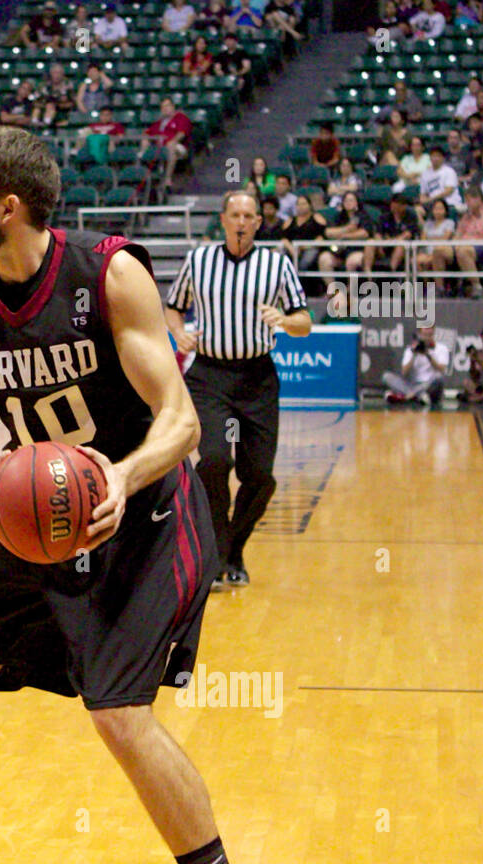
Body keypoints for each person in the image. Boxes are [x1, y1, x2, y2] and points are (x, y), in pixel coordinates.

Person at [0, 126, 225, 864]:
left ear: (6, 209)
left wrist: (122, 479)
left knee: (120, 715)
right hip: (26, 507)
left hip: (142, 509)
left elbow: (182, 419)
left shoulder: (107, 273)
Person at [164, 191, 313, 588]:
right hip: (210, 376)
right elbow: (172, 305)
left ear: (258, 223)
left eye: (250, 215)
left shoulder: (276, 265)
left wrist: (283, 318)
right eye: (235, 215)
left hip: (258, 380)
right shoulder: (199, 260)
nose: (243, 222)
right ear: (224, 220)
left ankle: (232, 548)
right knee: (213, 461)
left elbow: (305, 321)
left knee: (261, 476)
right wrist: (178, 334)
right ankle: (217, 554)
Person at [432, 186, 483, 297]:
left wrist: (468, 243)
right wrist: (452, 245)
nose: (467, 204)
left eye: (469, 200)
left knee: (464, 251)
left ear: (478, 199)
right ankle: (440, 289)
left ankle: (477, 287)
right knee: (439, 250)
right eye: (466, 201)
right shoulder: (466, 216)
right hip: (462, 246)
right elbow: (457, 236)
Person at [384, 324, 450, 406]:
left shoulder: (441, 348)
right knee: (387, 377)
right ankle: (418, 396)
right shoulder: (411, 350)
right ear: (420, 333)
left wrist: (427, 355)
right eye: (425, 332)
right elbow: (404, 372)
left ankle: (406, 396)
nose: (427, 335)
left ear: (433, 332)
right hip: (413, 384)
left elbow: (442, 370)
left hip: (430, 387)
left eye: (430, 332)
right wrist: (414, 354)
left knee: (438, 377)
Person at [141, 98, 192, 192]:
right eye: (162, 107)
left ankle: (167, 179)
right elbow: (148, 132)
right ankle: (145, 177)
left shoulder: (181, 117)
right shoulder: (160, 122)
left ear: (173, 107)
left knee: (171, 146)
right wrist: (146, 138)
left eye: (167, 106)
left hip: (178, 146)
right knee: (144, 141)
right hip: (159, 146)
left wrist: (173, 141)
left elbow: (182, 133)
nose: (165, 109)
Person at [365, 194, 418, 274]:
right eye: (393, 204)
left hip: (404, 249)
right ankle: (367, 273)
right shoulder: (385, 217)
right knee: (370, 242)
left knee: (401, 245)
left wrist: (391, 240)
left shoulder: (410, 217)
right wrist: (380, 245)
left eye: (398, 205)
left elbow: (407, 234)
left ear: (404, 206)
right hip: (385, 246)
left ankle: (390, 272)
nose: (395, 207)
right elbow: (378, 234)